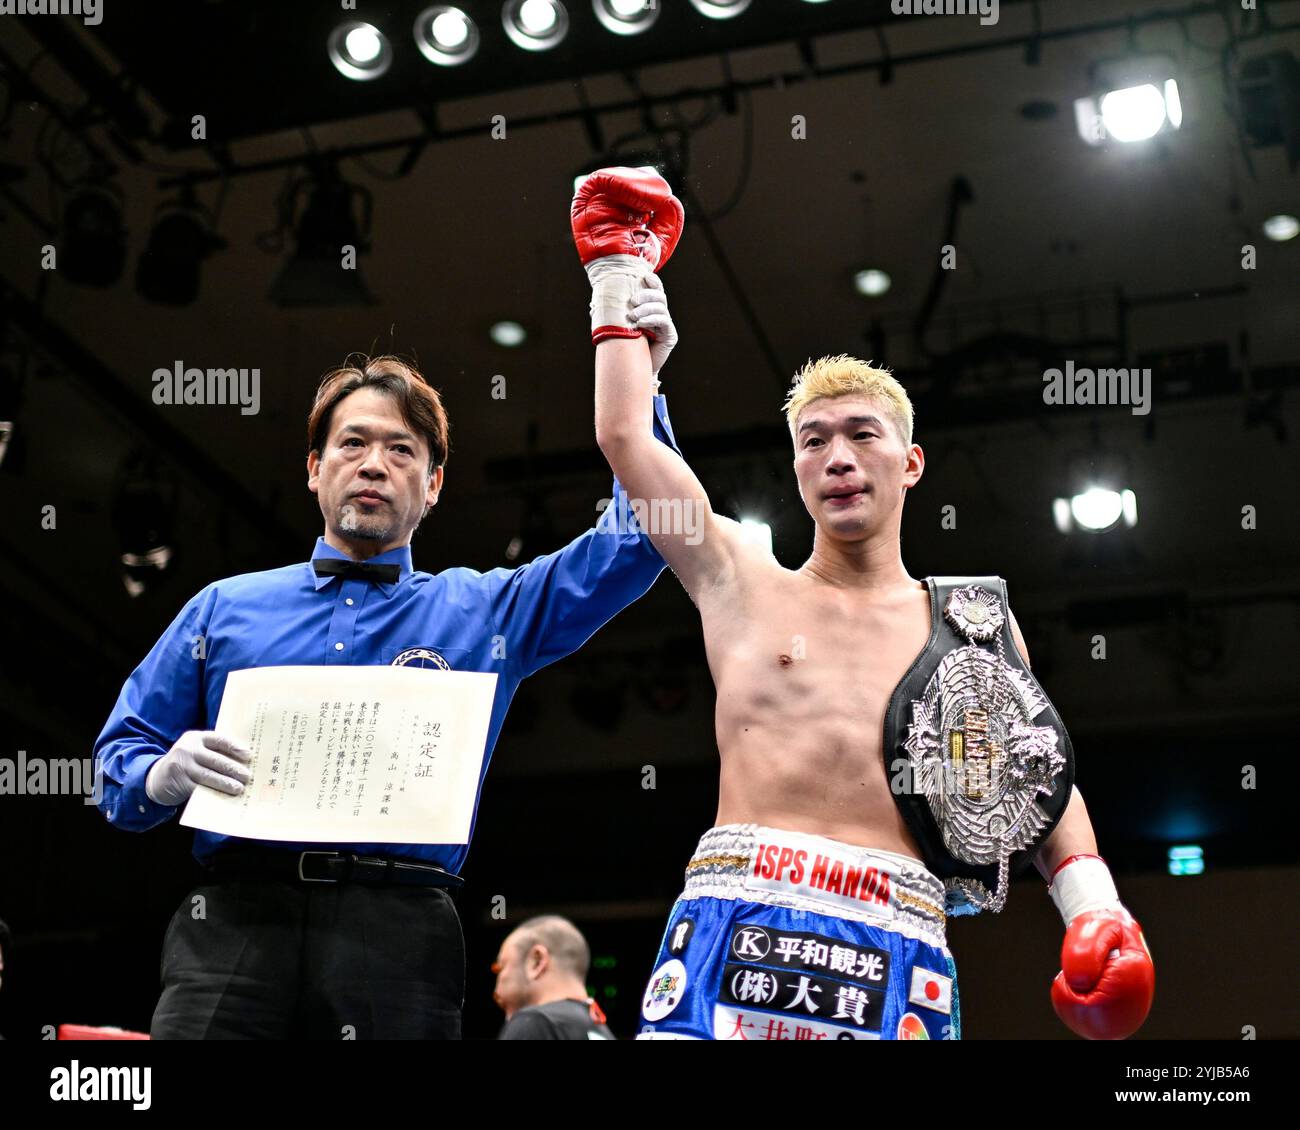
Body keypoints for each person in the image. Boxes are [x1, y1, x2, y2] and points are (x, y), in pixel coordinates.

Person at [569, 167, 1155, 1041]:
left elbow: (1036, 777)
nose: (837, 456)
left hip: (893, 938)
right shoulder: (738, 574)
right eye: (814, 442)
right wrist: (619, 279)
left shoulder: (971, 622)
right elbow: (624, 438)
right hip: (736, 920)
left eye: (862, 435)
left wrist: (1094, 908)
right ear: (798, 470)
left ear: (909, 463)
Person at [93, 353, 684, 1039]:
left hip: (400, 935)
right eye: (353, 443)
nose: (375, 464)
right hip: (233, 925)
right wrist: (159, 776)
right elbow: (117, 766)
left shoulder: (485, 611)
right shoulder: (222, 609)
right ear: (314, 468)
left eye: (401, 450)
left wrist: (640, 377)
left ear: (433, 485)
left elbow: (638, 539)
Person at [493, 916, 613, 1040]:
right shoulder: (602, 1030)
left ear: (536, 961)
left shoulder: (534, 1022)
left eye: (500, 968)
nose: (497, 989)